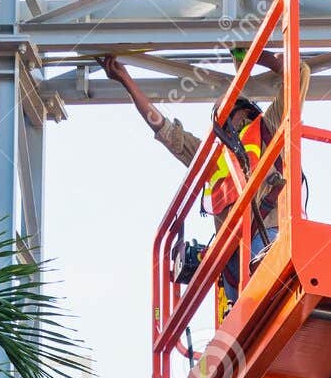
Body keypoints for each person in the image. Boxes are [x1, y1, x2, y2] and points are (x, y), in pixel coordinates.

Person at [100, 49, 310, 308]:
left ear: (245, 113)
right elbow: (165, 130)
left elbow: (300, 74)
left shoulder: (268, 129)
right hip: (234, 265)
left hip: (267, 241)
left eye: (227, 113)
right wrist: (127, 81)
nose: (222, 123)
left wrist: (259, 57)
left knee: (272, 311)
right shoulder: (213, 156)